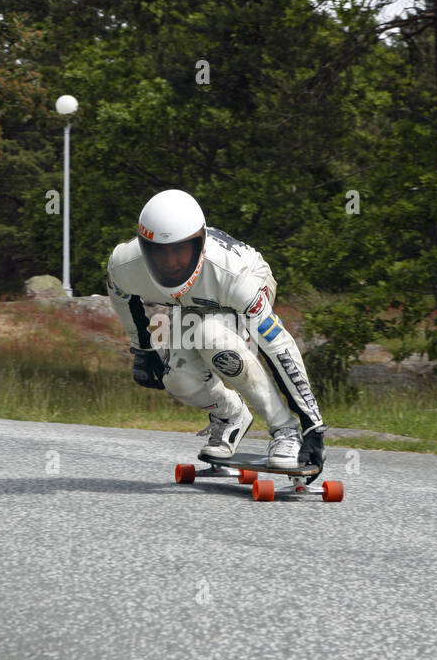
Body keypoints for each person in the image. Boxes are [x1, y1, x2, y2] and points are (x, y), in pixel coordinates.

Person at [107, 189, 326, 471]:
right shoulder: (124, 266)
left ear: (200, 243)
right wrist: (142, 348)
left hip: (239, 286)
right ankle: (230, 415)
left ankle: (286, 430)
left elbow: (277, 345)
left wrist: (312, 423)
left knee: (212, 337)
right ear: (144, 246)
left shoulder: (234, 276)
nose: (172, 264)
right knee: (178, 380)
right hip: (188, 303)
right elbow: (124, 300)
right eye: (161, 254)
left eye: (181, 251)